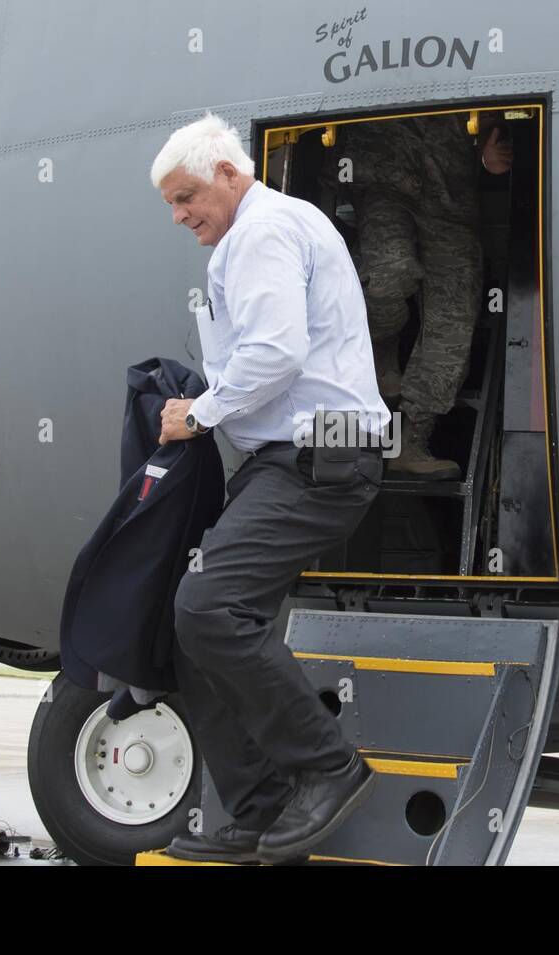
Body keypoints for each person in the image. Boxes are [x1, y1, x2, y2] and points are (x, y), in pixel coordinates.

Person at [148, 112, 391, 864]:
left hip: (321, 458)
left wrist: (201, 414)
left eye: (187, 195)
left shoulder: (262, 231)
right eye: (171, 205)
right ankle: (255, 810)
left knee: (209, 605)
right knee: (193, 629)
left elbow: (276, 350)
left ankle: (329, 768)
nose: (182, 214)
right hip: (290, 459)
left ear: (227, 172)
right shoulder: (255, 235)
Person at [336, 112, 513, 480]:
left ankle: (411, 442)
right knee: (390, 272)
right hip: (384, 181)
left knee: (454, 322)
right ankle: (382, 359)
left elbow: (495, 106)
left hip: (451, 195)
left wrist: (486, 156)